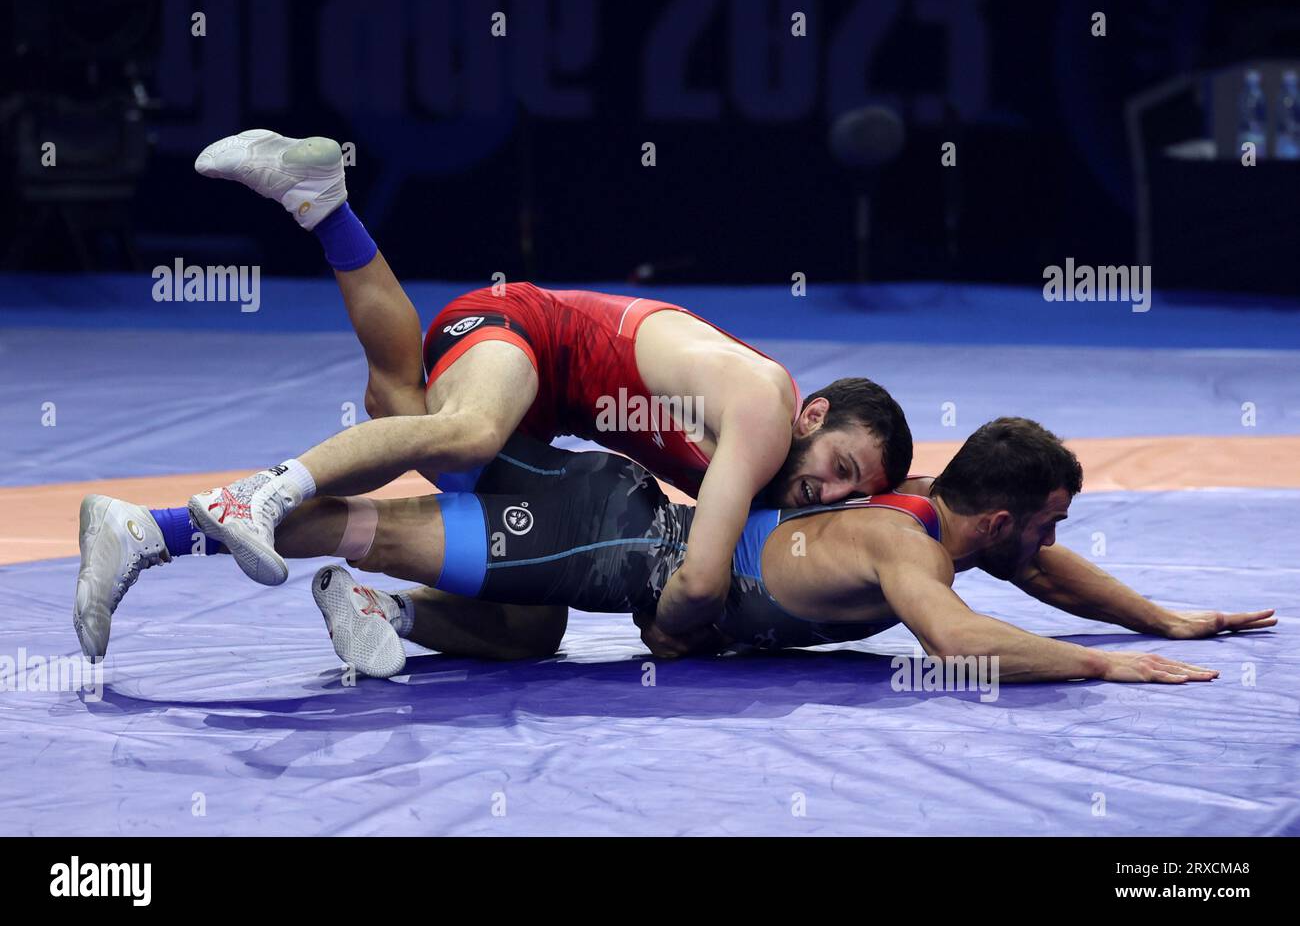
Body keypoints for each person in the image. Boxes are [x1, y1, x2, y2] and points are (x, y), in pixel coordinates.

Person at [72, 128, 911, 659]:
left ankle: (324, 209)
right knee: (465, 431)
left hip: (551, 410)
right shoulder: (765, 411)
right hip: (528, 331)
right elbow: (693, 588)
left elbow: (939, 501)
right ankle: (254, 494)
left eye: (852, 490)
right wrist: (684, 625)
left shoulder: (784, 472)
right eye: (839, 463)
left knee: (526, 612)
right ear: (812, 416)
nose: (832, 493)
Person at [75, 418, 1276, 684]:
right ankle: (153, 529)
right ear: (999, 515)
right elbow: (962, 638)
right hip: (617, 536)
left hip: (622, 548)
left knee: (516, 634)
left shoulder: (942, 524)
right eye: (1046, 521)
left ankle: (382, 620)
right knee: (377, 516)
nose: (1052, 549)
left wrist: (1156, 617)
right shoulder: (902, 548)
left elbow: (1034, 572)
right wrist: (1108, 666)